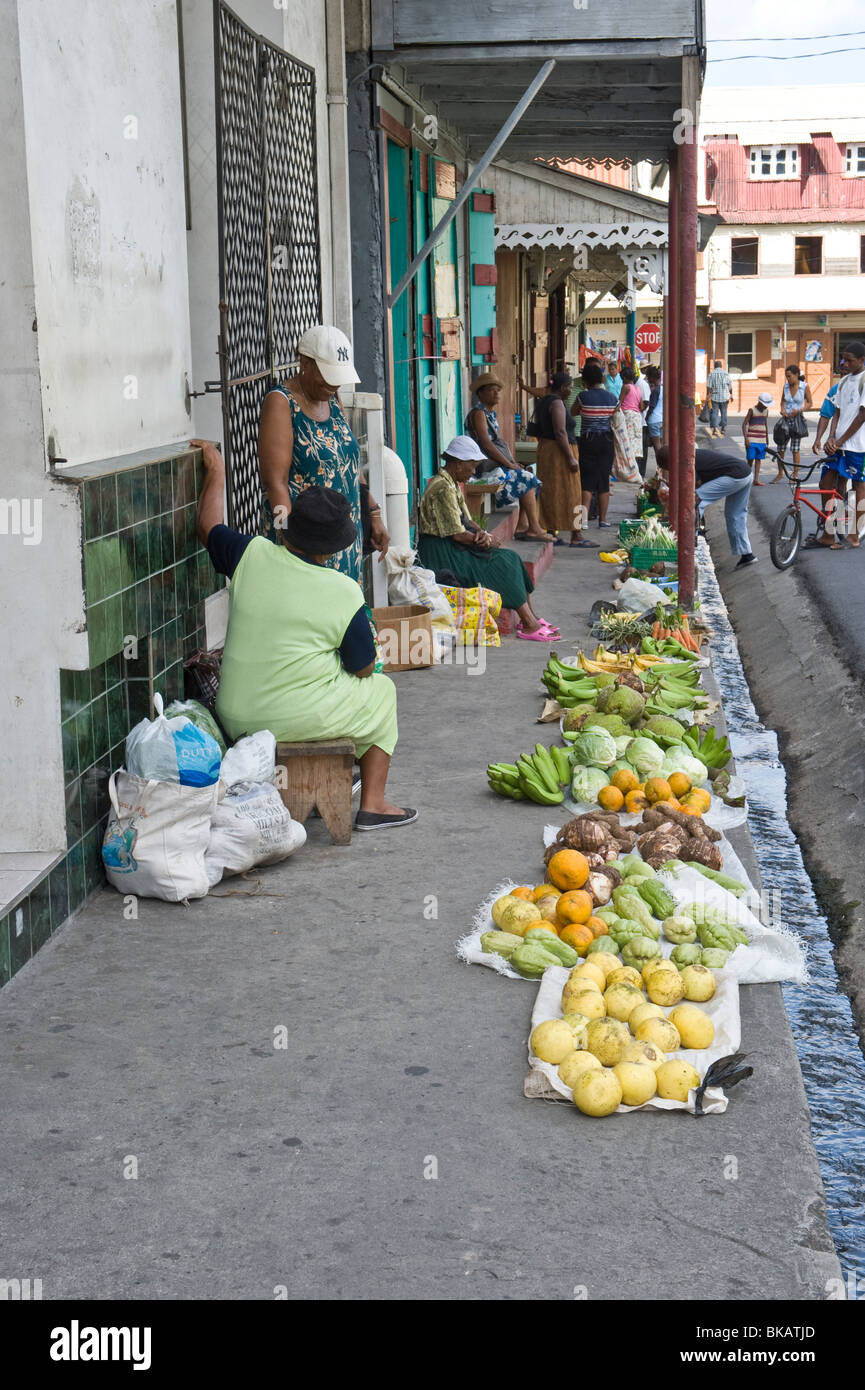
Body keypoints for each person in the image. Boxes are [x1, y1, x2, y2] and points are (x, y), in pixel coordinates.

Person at [192, 440, 416, 832]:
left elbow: (207, 526)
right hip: (290, 718)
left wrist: (216, 470)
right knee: (383, 692)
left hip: (235, 714)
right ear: (332, 550)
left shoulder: (250, 553)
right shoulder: (343, 590)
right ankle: (374, 804)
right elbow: (363, 670)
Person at [258, 324, 388, 582]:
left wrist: (373, 512)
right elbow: (275, 483)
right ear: (304, 362)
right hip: (306, 547)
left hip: (342, 539)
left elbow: (348, 463)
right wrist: (288, 542)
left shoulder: (331, 398)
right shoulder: (281, 402)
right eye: (327, 375)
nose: (333, 383)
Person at [416, 436, 559, 640]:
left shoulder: (451, 483)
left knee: (512, 559)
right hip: (441, 553)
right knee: (503, 565)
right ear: (458, 463)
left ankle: (531, 618)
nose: (473, 471)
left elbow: (467, 520)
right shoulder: (442, 488)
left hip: (453, 545)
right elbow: (457, 534)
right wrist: (484, 541)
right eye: (471, 466)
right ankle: (529, 623)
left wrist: (484, 534)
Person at [465, 372, 552, 540]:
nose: (496, 394)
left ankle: (522, 525)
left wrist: (512, 462)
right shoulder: (478, 414)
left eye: (498, 390)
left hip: (496, 465)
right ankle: (534, 527)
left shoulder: (491, 415)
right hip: (482, 468)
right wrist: (509, 464)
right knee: (527, 479)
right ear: (481, 394)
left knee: (529, 473)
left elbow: (497, 444)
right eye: (491, 390)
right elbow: (487, 445)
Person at [657, 444, 756, 567]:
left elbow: (695, 486)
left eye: (667, 467)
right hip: (745, 473)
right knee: (735, 514)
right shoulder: (686, 455)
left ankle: (691, 545)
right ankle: (747, 554)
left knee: (695, 503)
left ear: (669, 462)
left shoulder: (686, 461)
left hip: (735, 476)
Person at [533, 372, 594, 546]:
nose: (570, 390)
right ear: (562, 388)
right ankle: (576, 535)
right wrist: (571, 458)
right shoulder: (557, 403)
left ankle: (551, 530)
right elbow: (560, 432)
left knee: (551, 492)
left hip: (547, 450)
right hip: (560, 453)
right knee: (574, 493)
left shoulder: (544, 401)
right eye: (568, 387)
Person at [822, 340, 865, 549]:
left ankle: (854, 535)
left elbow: (861, 417)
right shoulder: (843, 381)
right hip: (838, 445)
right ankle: (829, 533)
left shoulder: (864, 380)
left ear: (862, 361)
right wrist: (831, 438)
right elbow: (836, 412)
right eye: (844, 359)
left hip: (858, 446)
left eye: (850, 361)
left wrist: (840, 440)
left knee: (858, 488)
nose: (845, 364)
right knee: (827, 484)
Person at [570, 359, 619, 530]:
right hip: (606, 441)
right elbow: (616, 416)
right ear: (601, 379)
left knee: (586, 482)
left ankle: (582, 521)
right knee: (603, 481)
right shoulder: (612, 397)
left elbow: (573, 412)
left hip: (587, 441)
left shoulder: (582, 396)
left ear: (585, 382)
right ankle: (603, 520)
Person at [775, 365, 812, 482]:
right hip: (785, 420)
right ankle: (780, 473)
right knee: (780, 447)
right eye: (786, 377)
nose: (788, 379)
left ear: (796, 375)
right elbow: (782, 402)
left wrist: (800, 410)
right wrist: (782, 410)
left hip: (797, 420)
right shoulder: (785, 387)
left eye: (789, 376)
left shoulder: (804, 387)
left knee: (795, 448)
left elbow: (810, 403)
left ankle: (795, 474)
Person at [617, 366, 644, 476]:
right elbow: (641, 406)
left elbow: (619, 402)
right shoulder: (638, 389)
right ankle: (634, 471)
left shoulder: (626, 387)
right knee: (636, 444)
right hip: (637, 416)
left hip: (627, 415)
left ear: (624, 377)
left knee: (626, 442)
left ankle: (628, 471)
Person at [742, 392, 773, 486]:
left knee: (759, 459)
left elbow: (765, 424)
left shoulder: (766, 411)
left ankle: (756, 479)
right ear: (760, 402)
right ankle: (746, 479)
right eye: (765, 405)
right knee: (750, 460)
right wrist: (746, 439)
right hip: (752, 439)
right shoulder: (752, 410)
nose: (766, 407)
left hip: (762, 440)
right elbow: (744, 424)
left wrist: (767, 438)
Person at [706, 360, 732, 439]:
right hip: (724, 397)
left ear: (714, 366)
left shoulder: (711, 374)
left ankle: (714, 429)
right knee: (724, 412)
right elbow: (730, 386)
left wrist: (708, 394)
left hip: (715, 396)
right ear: (721, 366)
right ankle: (723, 428)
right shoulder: (726, 373)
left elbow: (709, 386)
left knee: (714, 413)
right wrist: (731, 394)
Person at [645, 366, 664, 468]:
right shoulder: (662, 388)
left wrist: (646, 417)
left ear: (652, 377)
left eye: (648, 377)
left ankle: (659, 468)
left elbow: (651, 406)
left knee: (657, 447)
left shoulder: (655, 390)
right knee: (661, 445)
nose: (647, 379)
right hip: (662, 420)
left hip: (654, 420)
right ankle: (662, 469)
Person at [636, 366, 653, 476]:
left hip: (643, 420)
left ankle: (641, 472)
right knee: (639, 447)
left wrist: (639, 411)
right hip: (640, 419)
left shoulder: (642, 384)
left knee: (643, 448)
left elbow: (646, 402)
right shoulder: (638, 384)